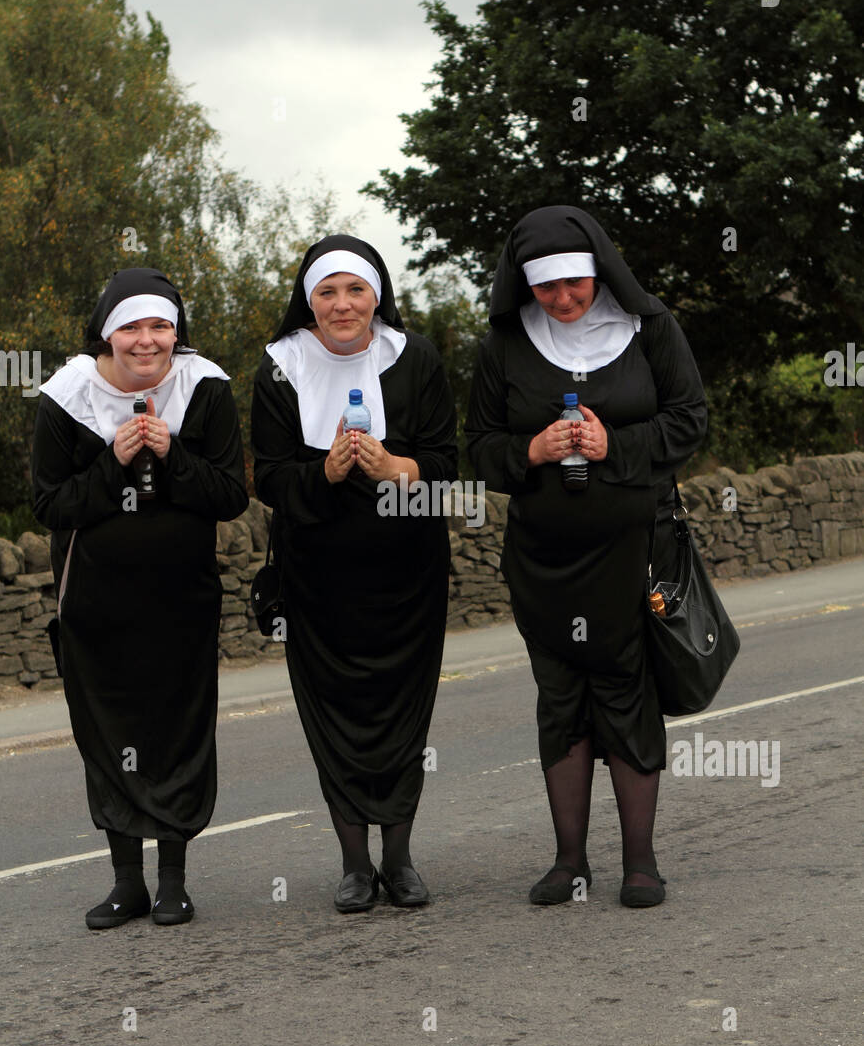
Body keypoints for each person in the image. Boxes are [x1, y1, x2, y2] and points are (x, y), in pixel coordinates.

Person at [466, 206, 707, 908]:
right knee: (559, 697)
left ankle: (641, 862)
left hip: (632, 548)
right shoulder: (504, 344)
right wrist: (531, 451)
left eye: (574, 283)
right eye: (547, 289)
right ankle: (569, 861)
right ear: (525, 286)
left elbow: (690, 417)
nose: (564, 299)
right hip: (543, 557)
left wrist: (617, 448)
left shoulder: (650, 327)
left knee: (626, 690)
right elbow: (478, 448)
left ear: (597, 270)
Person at [31, 267, 248, 929]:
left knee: (178, 732)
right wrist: (111, 462)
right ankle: (126, 882)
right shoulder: (66, 397)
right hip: (97, 607)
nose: (146, 340)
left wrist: (174, 457)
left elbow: (231, 496)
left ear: (176, 334)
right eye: (131, 326)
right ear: (106, 331)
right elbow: (49, 504)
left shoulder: (206, 389)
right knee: (109, 736)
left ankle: (174, 882)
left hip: (182, 601)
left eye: (160, 327)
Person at [252, 234, 457, 912]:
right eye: (327, 292)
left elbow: (446, 465)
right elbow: (270, 478)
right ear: (308, 301)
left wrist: (398, 468)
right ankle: (352, 865)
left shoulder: (415, 358)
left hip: (407, 581)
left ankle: (398, 861)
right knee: (334, 720)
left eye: (355, 290)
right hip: (317, 584)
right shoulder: (279, 368)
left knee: (402, 719)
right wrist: (328, 472)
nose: (342, 305)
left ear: (377, 297)